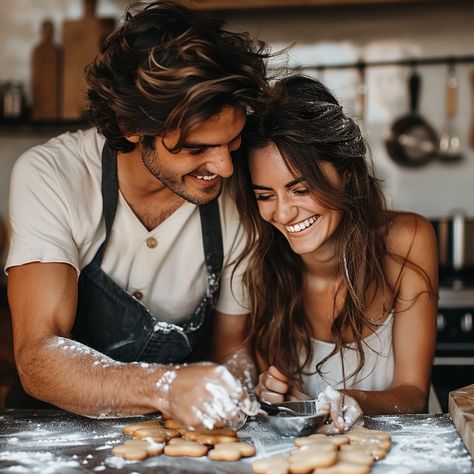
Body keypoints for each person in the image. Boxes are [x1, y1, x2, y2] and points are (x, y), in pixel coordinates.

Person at [5, 0, 270, 429]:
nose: (223, 167)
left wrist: (232, 385)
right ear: (131, 125)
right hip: (51, 433)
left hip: (175, 435)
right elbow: (38, 355)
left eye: (232, 141)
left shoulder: (240, 192)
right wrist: (165, 387)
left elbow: (232, 350)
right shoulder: (53, 175)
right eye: (196, 148)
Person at [231, 75, 438, 432]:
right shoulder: (262, 262)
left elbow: (414, 394)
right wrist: (274, 393)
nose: (282, 213)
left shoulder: (408, 240)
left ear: (345, 173)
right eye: (266, 196)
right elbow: (286, 403)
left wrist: (351, 400)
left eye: (301, 189)